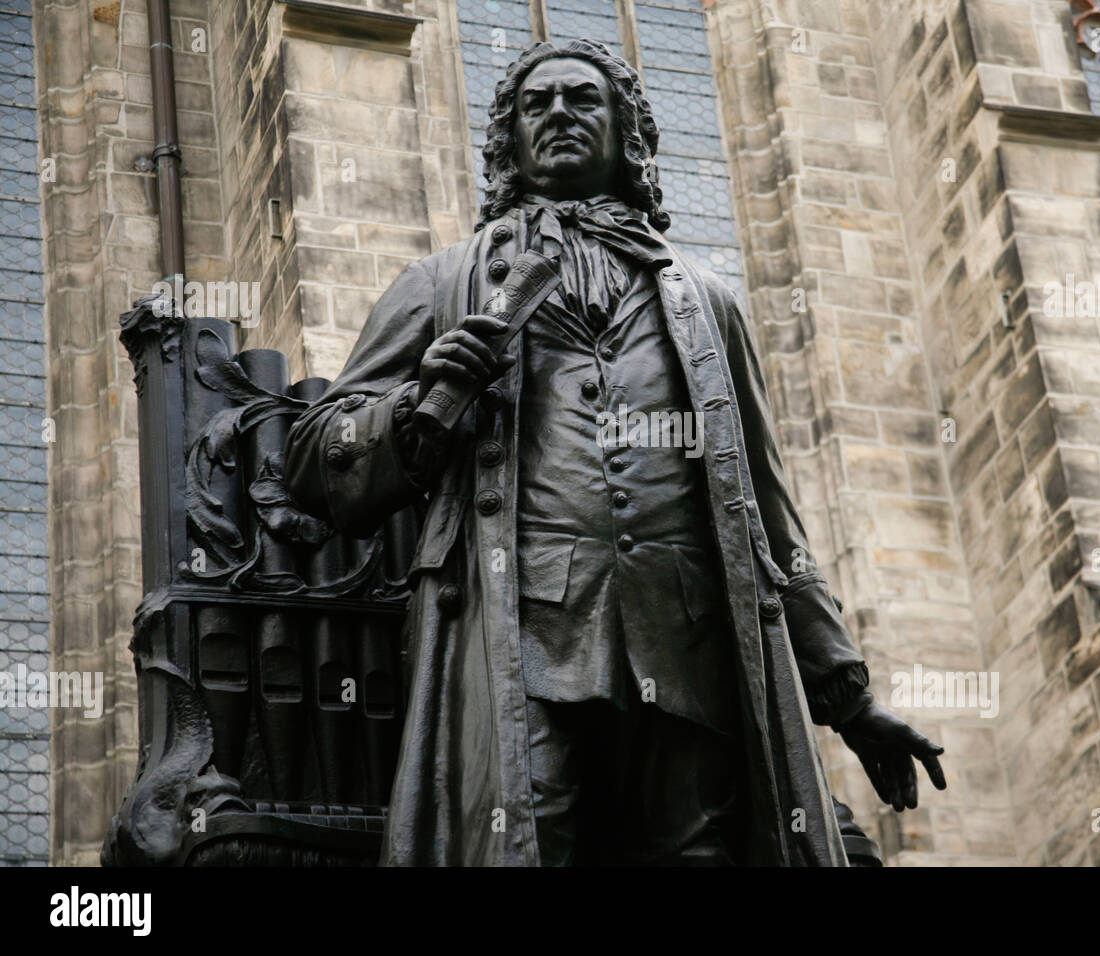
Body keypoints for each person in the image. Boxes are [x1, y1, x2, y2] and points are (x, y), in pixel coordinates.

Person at [284, 38, 945, 866]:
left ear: (627, 132)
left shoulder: (707, 303)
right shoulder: (442, 283)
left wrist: (847, 696)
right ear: (511, 140)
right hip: (520, 634)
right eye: (538, 103)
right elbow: (315, 458)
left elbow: (769, 517)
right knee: (525, 840)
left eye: (582, 100)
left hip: (687, 637)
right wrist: (418, 403)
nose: (559, 113)